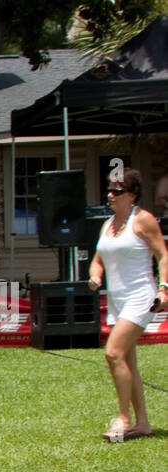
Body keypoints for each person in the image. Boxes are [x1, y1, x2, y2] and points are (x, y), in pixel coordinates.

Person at [88, 168, 166, 441]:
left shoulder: (143, 220)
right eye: (109, 189)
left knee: (113, 353)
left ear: (132, 195)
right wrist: (95, 274)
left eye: (117, 191)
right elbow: (98, 258)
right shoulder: (107, 225)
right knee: (128, 360)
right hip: (117, 300)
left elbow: (163, 256)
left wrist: (164, 288)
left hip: (140, 296)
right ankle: (143, 423)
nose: (110, 195)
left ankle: (123, 419)